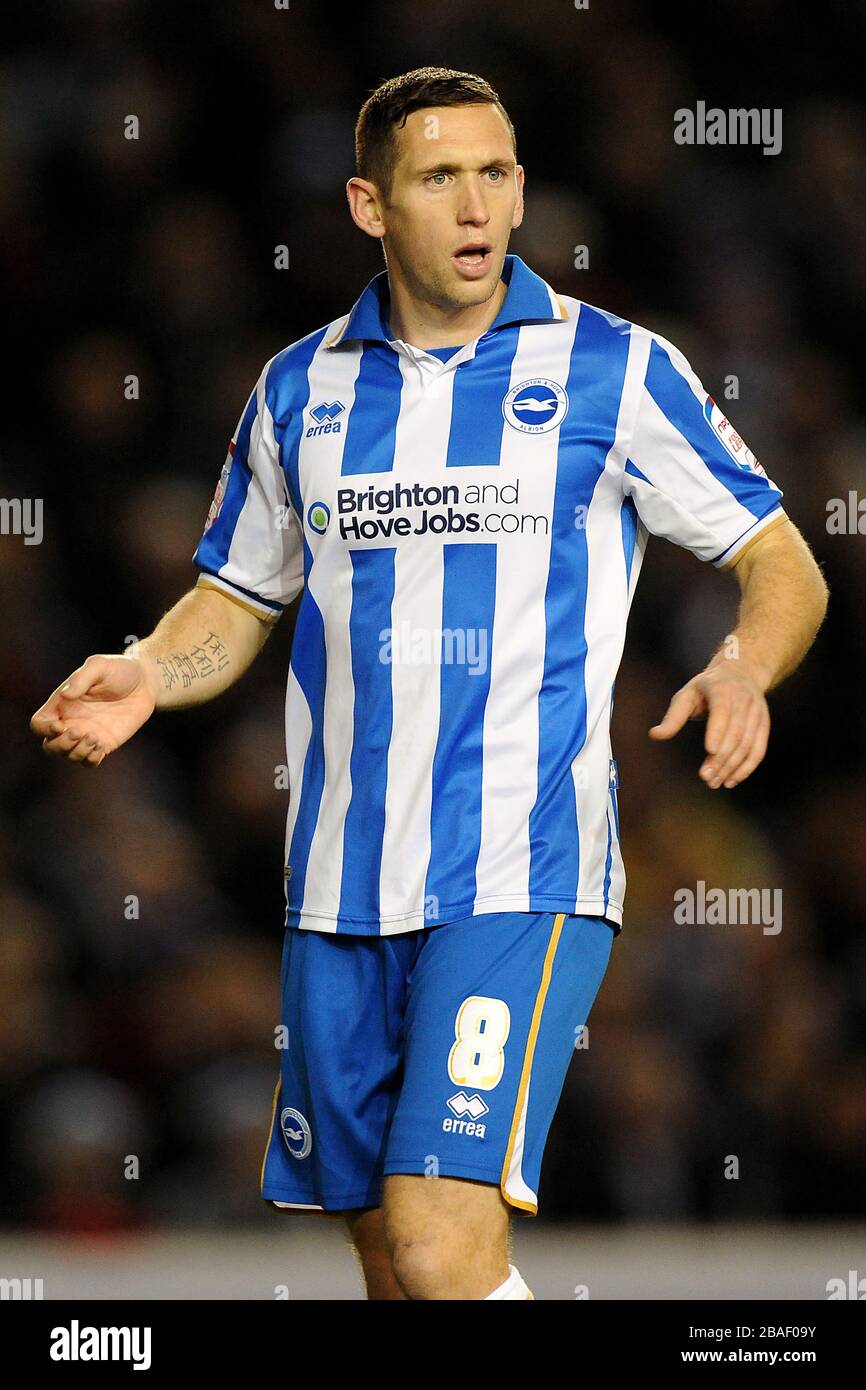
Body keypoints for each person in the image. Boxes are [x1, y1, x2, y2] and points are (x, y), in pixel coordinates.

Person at [30, 66, 828, 1300]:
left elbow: (780, 560)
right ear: (367, 204)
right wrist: (147, 669)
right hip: (340, 883)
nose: (476, 206)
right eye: (439, 176)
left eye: (496, 174)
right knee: (393, 1269)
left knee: (436, 1244)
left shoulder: (610, 369)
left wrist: (742, 663)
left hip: (520, 864)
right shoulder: (299, 389)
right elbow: (238, 593)